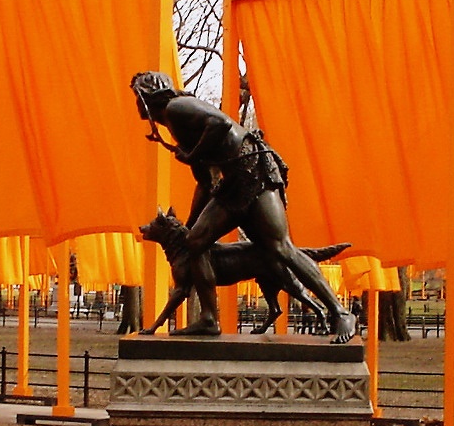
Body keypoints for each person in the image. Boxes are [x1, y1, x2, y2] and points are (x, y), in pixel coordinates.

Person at [130, 71, 354, 341]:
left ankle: (341, 312)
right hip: (233, 186)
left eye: (137, 97)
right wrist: (189, 224)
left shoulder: (177, 107)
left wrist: (191, 155)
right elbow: (205, 183)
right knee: (195, 241)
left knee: (281, 248)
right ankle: (209, 320)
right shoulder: (174, 125)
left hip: (254, 174)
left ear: (146, 96)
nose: (136, 104)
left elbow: (220, 123)